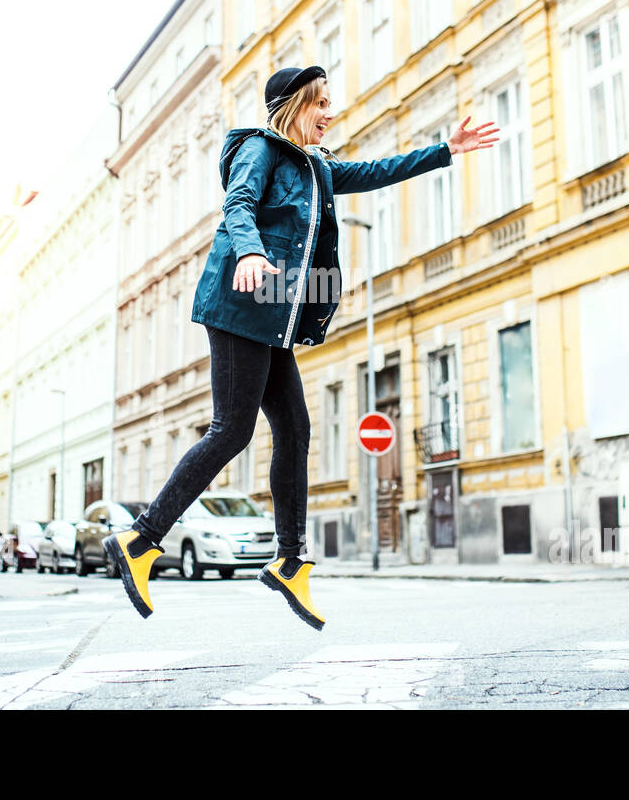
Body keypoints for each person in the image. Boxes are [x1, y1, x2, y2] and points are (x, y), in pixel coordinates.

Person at [103, 65, 499, 629]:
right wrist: (248, 253)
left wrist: (445, 150)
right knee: (232, 429)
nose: (331, 113)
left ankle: (290, 559)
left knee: (295, 430)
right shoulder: (259, 150)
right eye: (322, 103)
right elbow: (239, 204)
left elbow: (374, 170)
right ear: (294, 106)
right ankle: (141, 541)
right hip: (240, 306)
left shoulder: (316, 169)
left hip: (274, 320)